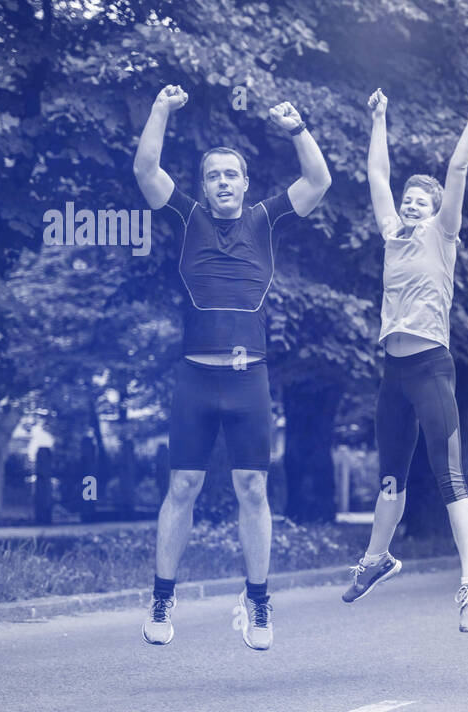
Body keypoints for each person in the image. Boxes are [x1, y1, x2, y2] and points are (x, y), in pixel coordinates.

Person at [133, 84, 331, 649]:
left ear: (245, 183)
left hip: (250, 381)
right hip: (196, 379)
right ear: (204, 185)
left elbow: (319, 183)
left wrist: (297, 129)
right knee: (184, 486)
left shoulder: (266, 219)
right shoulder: (188, 216)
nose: (223, 181)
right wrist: (162, 109)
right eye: (214, 174)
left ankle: (259, 603)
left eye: (232, 174)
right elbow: (146, 168)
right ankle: (162, 599)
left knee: (251, 489)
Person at [341, 70, 468, 633]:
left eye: (420, 202)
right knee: (390, 477)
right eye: (407, 200)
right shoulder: (391, 234)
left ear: (435, 211)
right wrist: (378, 120)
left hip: (431, 367)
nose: (410, 205)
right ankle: (376, 559)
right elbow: (376, 173)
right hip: (393, 373)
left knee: (448, 475)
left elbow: (457, 170)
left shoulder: (442, 234)